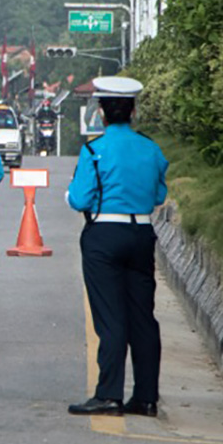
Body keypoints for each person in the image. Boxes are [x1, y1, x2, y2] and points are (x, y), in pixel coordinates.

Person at [66, 77, 168, 417]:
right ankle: (147, 397)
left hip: (104, 235)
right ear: (133, 111)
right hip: (141, 233)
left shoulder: (94, 150)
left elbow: (80, 198)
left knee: (110, 319)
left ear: (101, 113)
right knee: (143, 317)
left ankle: (109, 394)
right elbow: (158, 196)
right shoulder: (151, 149)